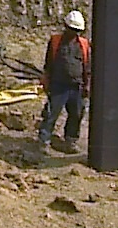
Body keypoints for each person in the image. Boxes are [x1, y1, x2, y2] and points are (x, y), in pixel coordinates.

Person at [37, 10, 90, 152]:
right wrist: (46, 80)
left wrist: (87, 85)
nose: (75, 33)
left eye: (77, 30)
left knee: (77, 114)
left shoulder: (83, 45)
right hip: (58, 85)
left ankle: (70, 141)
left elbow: (87, 66)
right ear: (66, 27)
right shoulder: (55, 42)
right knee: (51, 113)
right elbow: (48, 63)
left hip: (76, 86)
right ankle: (44, 141)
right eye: (73, 29)